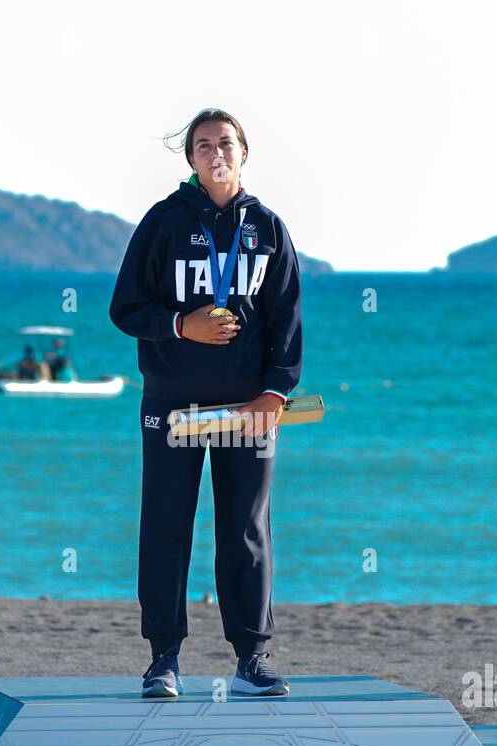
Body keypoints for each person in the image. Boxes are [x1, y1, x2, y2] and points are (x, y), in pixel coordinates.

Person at [110, 108, 302, 699]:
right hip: (173, 403)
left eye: (225, 143)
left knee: (245, 530)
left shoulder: (266, 227)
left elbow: (286, 315)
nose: (215, 153)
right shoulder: (164, 221)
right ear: (190, 158)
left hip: (248, 406)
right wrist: (179, 325)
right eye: (202, 145)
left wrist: (276, 389)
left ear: (244, 151)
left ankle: (252, 656)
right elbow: (125, 309)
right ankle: (163, 658)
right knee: (167, 527)